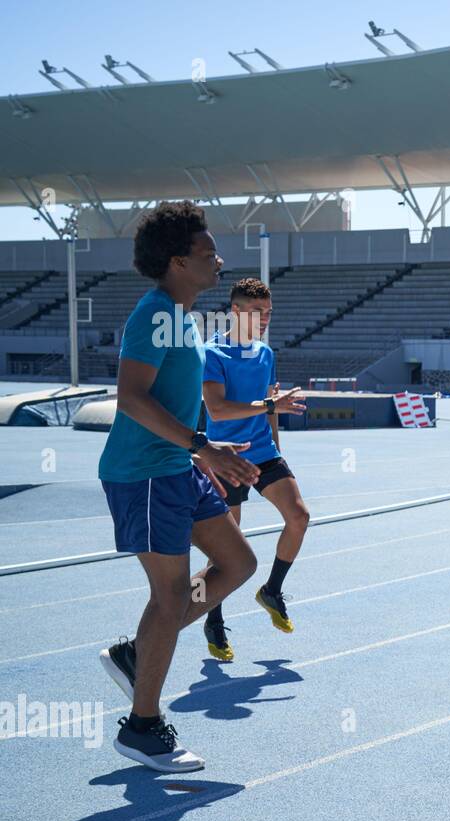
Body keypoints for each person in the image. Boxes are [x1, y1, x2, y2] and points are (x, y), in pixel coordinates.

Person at [97, 201, 260, 772]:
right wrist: (202, 448)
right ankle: (142, 726)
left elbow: (176, 400)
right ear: (176, 262)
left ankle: (139, 652)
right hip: (143, 472)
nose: (219, 259)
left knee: (237, 564)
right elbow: (132, 398)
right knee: (168, 598)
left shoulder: (183, 316)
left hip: (177, 467)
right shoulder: (153, 314)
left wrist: (208, 453)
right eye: (207, 252)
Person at [200, 277, 308, 661]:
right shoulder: (212, 353)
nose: (264, 319)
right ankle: (212, 616)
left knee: (299, 516)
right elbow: (218, 410)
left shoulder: (265, 353)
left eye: (269, 313)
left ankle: (272, 590)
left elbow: (269, 402)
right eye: (257, 312)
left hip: (262, 451)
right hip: (226, 455)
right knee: (226, 546)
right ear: (235, 311)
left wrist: (276, 447)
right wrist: (269, 407)